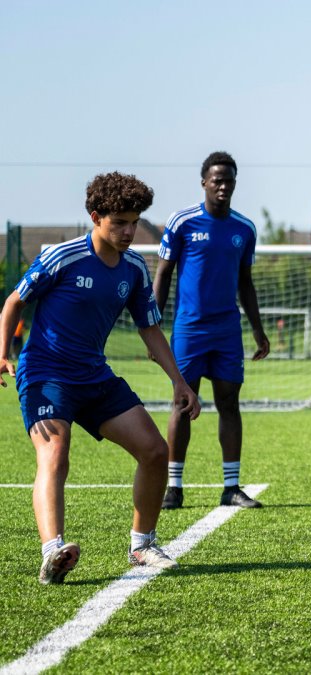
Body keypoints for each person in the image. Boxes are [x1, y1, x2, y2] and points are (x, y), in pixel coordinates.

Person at [0, 172, 200, 584]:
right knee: (55, 455)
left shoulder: (134, 269)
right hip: (46, 375)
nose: (129, 231)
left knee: (155, 451)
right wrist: (2, 353)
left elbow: (150, 329)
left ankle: (142, 545)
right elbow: (14, 302)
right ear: (96, 216)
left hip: (94, 376)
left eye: (134, 222)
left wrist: (179, 382)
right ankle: (53, 552)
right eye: (119, 222)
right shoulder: (62, 256)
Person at [155, 152, 270, 510]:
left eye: (229, 180)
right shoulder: (182, 222)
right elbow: (162, 274)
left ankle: (231, 487)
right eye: (217, 180)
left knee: (229, 404)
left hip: (226, 331)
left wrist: (258, 330)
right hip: (189, 328)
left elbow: (245, 283)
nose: (223, 186)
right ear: (204, 181)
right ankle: (174, 487)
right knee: (182, 403)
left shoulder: (244, 229)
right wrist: (153, 325)